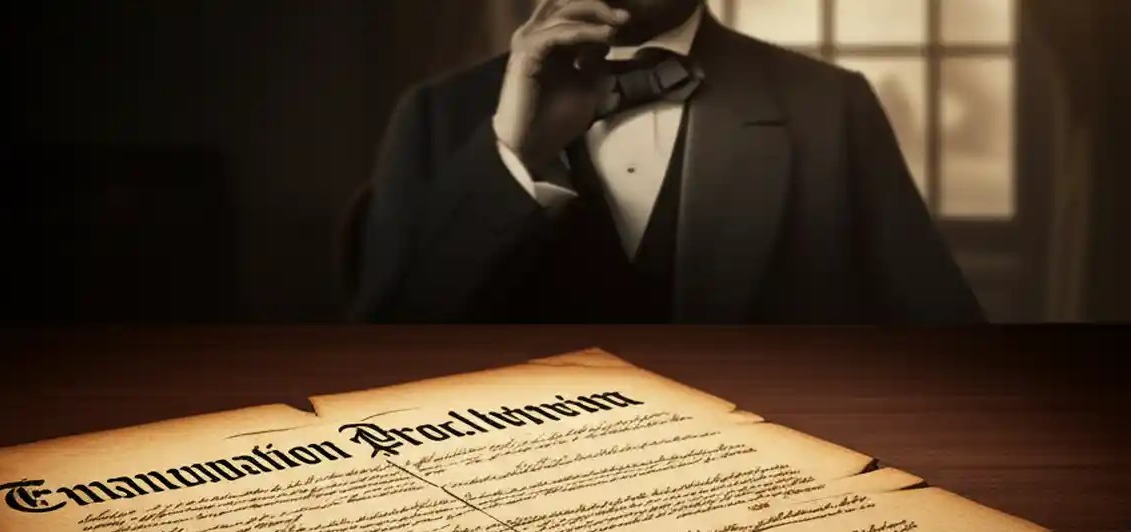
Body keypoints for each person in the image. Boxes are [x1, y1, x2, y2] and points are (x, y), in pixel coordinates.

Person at [350, 0, 986, 324]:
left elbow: (948, 347)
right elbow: (377, 356)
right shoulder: (435, 115)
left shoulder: (831, 107)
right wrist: (514, 156)